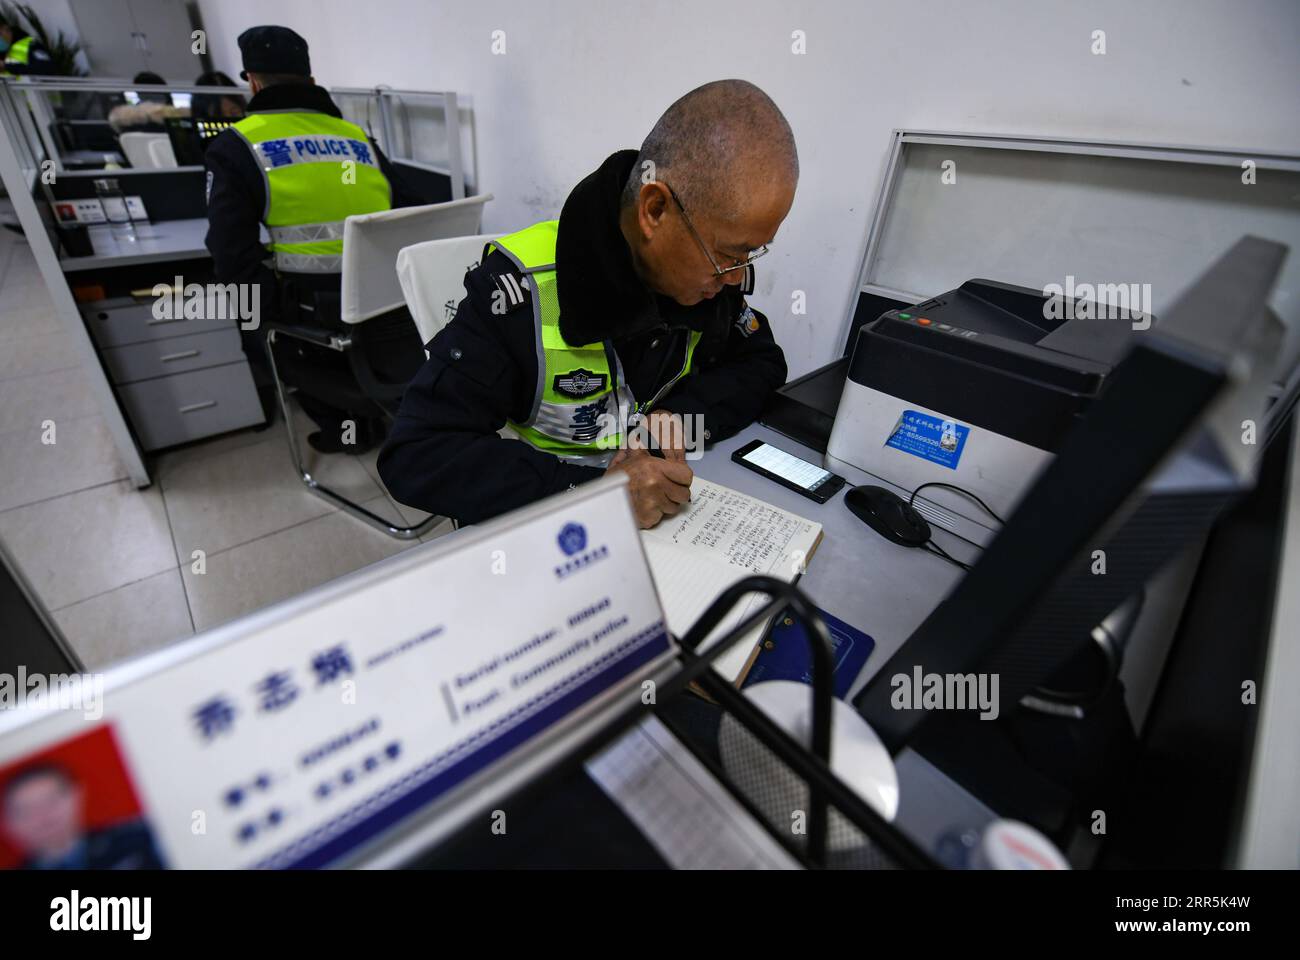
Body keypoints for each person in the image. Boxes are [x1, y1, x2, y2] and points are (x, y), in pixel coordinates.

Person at [379, 79, 794, 528]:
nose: (735, 277)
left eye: (750, 254)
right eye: (729, 255)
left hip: (668, 521)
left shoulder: (708, 282)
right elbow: (417, 452)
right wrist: (598, 495)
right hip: (553, 517)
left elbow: (762, 363)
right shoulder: (519, 292)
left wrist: (680, 417)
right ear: (654, 210)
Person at [204, 25, 421, 454]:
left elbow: (230, 255)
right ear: (311, 78)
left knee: (252, 324)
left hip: (315, 322)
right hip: (393, 316)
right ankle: (372, 414)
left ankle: (347, 426)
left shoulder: (236, 146)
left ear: (252, 80)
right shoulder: (360, 139)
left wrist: (262, 320)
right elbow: (412, 216)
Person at [1, 763, 164, 870]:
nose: (43, 815)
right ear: (7, 823)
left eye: (52, 800)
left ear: (76, 796)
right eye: (27, 810)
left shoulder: (139, 839)